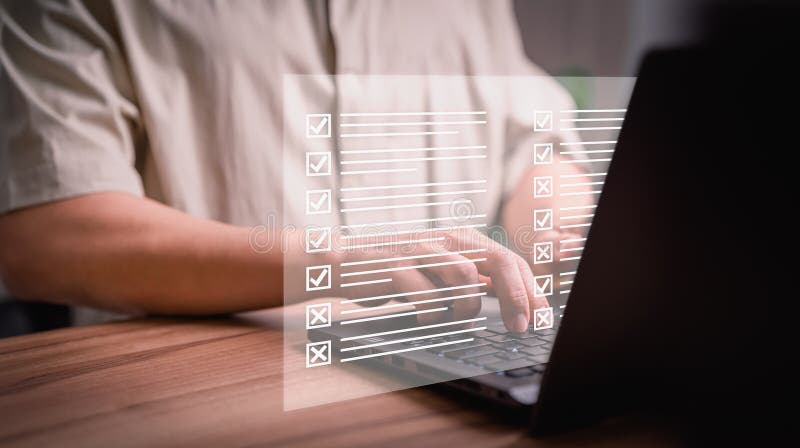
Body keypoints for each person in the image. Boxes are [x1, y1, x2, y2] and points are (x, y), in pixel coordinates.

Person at [0, 0, 590, 332]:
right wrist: (339, 262)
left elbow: (531, 142)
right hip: (198, 395)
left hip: (452, 374)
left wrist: (552, 235)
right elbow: (45, 232)